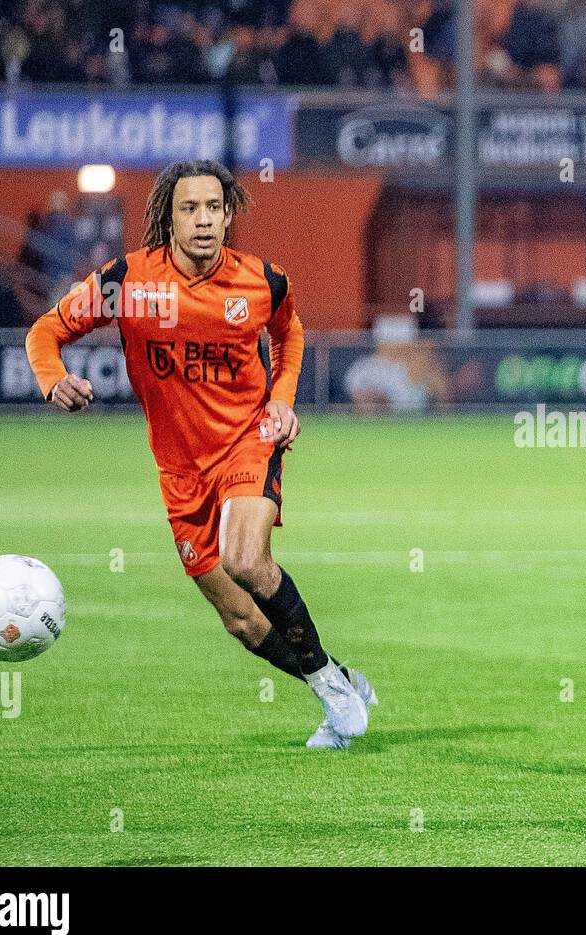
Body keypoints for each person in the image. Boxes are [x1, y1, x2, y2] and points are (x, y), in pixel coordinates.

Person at [25, 159, 376, 749]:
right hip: (179, 467)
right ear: (168, 217)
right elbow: (46, 330)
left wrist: (283, 402)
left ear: (229, 213)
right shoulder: (128, 281)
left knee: (247, 560)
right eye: (190, 209)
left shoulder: (262, 280)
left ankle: (331, 695)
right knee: (239, 619)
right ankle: (339, 678)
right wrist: (52, 378)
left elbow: (289, 335)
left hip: (248, 438)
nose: (205, 220)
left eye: (214, 208)